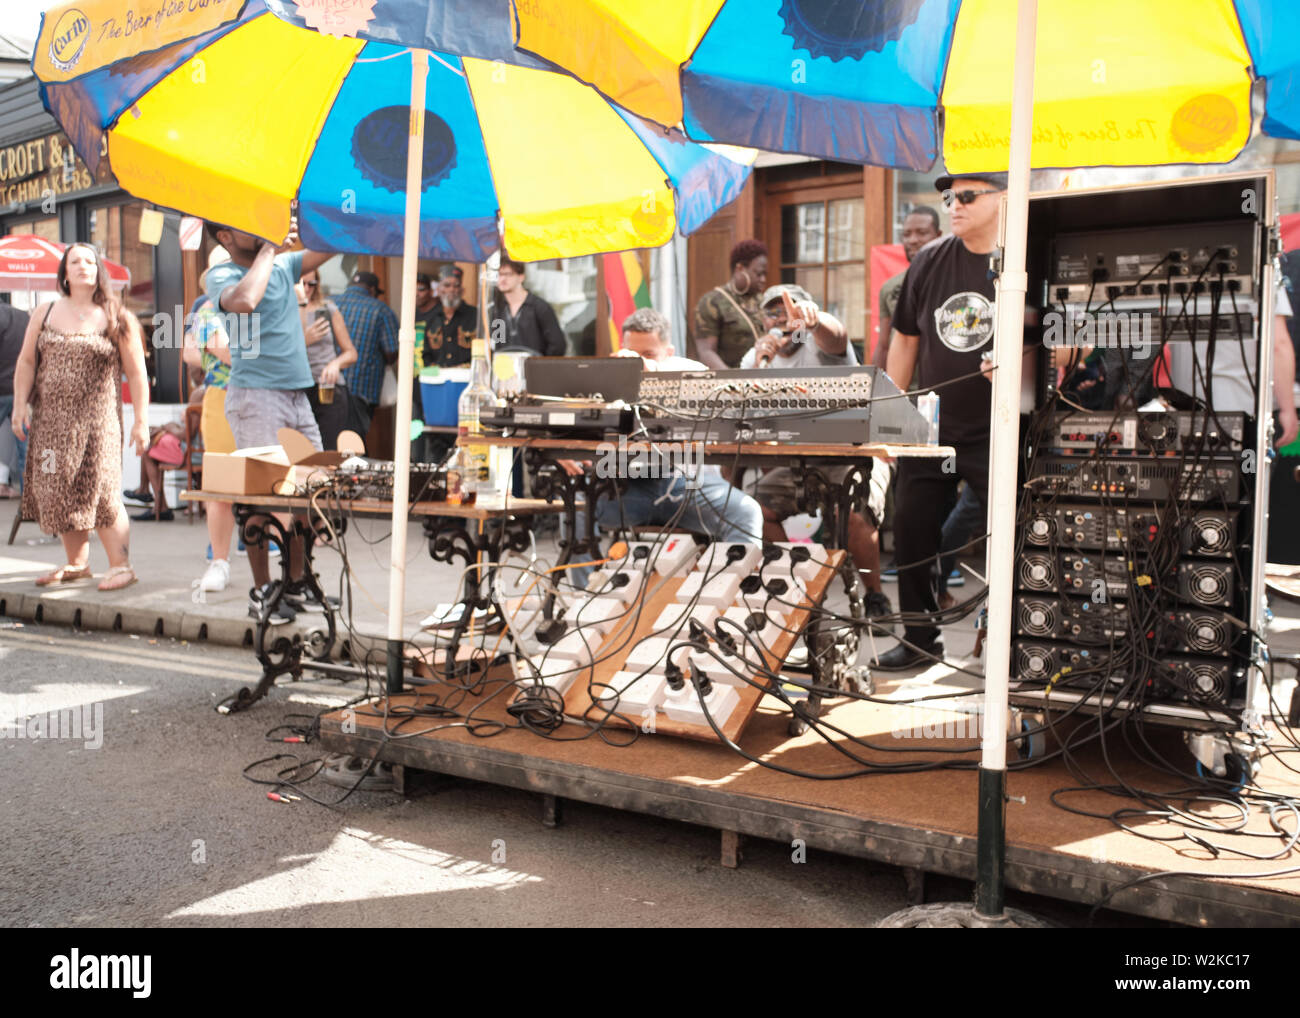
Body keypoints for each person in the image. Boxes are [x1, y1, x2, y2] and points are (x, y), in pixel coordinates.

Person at [879, 172, 1034, 669]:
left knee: (1024, 536)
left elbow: (1069, 345)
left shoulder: (1028, 256)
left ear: (1003, 199)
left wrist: (1018, 361)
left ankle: (1020, 643)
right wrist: (887, 416)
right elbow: (905, 339)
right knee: (912, 527)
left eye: (967, 196)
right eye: (949, 197)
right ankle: (920, 641)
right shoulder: (929, 261)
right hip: (933, 429)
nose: (954, 205)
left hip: (1003, 430)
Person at [559, 307, 762, 585]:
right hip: (626, 489)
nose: (638, 360)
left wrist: (648, 369)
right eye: (633, 353)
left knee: (746, 511)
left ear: (669, 351)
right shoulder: (610, 380)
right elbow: (568, 423)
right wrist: (564, 451)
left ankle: (732, 598)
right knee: (577, 505)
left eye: (649, 353)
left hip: (686, 486)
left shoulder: (688, 369)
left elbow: (700, 379)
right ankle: (585, 600)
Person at [204, 221, 335, 623]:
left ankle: (296, 581)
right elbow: (244, 301)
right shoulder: (222, 274)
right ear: (225, 238)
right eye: (243, 226)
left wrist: (306, 213)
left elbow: (330, 242)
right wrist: (268, 249)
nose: (257, 227)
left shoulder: (284, 264)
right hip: (256, 397)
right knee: (263, 498)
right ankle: (262, 591)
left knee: (309, 494)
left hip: (298, 396)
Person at [739, 284, 892, 622]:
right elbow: (746, 423)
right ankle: (796, 590)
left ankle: (876, 596)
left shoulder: (821, 341)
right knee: (752, 510)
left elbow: (836, 335)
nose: (783, 318)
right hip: (801, 461)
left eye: (791, 311)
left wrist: (816, 320)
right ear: (763, 322)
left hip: (856, 456)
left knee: (852, 514)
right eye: (773, 313)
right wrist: (756, 367)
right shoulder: (755, 359)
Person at [11, 242, 149, 590]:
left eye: (90, 260)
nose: (83, 266)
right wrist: (18, 405)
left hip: (98, 427)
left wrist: (141, 421)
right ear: (65, 271)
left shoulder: (118, 315)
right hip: (48, 426)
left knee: (101, 491)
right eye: (75, 261)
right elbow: (27, 362)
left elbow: (137, 374)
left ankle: (121, 565)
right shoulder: (44, 312)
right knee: (56, 489)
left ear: (98, 270)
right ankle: (77, 563)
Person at [182, 248, 239, 592]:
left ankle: (266, 551)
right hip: (224, 395)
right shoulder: (206, 309)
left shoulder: (264, 303)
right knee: (221, 483)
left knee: (269, 481)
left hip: (266, 396)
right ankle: (220, 558)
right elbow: (222, 353)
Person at [875, 206, 941, 368]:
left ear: (938, 236)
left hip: (942, 382)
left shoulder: (950, 279)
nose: (912, 240)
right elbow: (884, 345)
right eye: (906, 234)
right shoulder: (890, 288)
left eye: (922, 233)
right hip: (905, 387)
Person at [298, 269, 357, 452]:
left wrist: (335, 364)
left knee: (329, 448)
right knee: (302, 451)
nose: (307, 289)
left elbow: (351, 353)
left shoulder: (327, 308)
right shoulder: (285, 310)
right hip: (298, 388)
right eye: (302, 284)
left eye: (312, 284)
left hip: (327, 386)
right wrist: (304, 340)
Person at [336, 269, 399, 439]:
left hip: (327, 386)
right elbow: (391, 352)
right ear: (372, 289)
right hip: (361, 388)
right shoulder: (380, 310)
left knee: (329, 441)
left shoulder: (329, 303)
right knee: (354, 444)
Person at [693, 239, 768, 369]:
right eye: (758, 274)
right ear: (740, 269)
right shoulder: (712, 302)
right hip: (732, 382)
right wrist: (733, 382)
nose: (763, 279)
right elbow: (706, 352)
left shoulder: (766, 301)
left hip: (765, 380)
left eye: (765, 274)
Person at [489, 258, 565, 355]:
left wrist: (541, 365)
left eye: (508, 274)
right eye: (499, 274)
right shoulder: (497, 310)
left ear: (521, 277)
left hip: (533, 367)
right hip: (504, 367)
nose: (502, 279)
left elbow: (558, 345)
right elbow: (498, 343)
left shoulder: (539, 307)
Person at [0, 299, 31, 498]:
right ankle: (28, 496)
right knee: (24, 447)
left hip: (3, 388)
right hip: (22, 391)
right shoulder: (25, 317)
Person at [421, 265, 479, 369]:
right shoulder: (431, 317)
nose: (452, 289)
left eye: (456, 286)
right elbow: (426, 354)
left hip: (466, 378)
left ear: (462, 290)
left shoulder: (476, 316)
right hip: (439, 379)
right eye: (447, 285)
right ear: (438, 290)